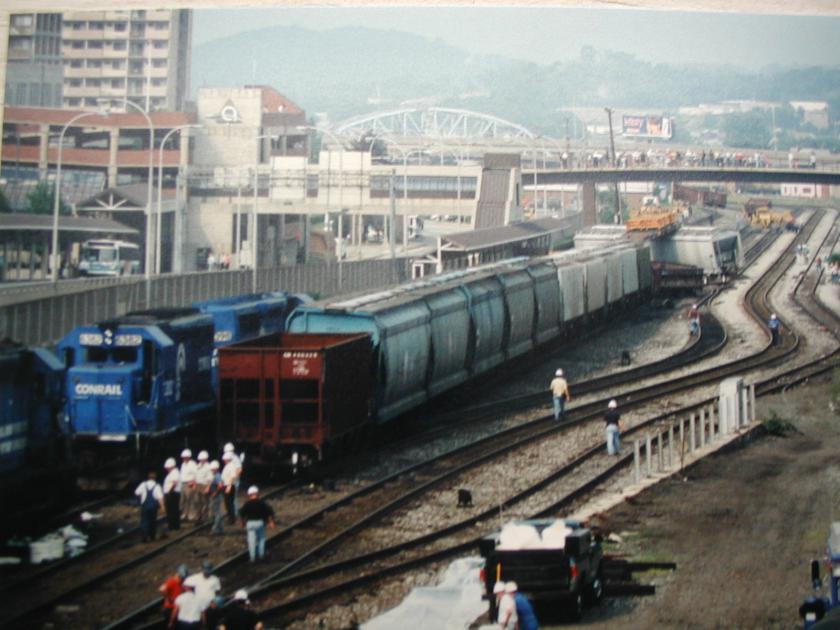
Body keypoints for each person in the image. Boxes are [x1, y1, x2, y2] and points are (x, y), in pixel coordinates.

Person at [239, 485, 276, 562]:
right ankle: (261, 555)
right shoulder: (262, 503)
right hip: (260, 523)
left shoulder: (247, 504)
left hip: (250, 524)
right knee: (261, 539)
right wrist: (271, 522)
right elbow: (269, 512)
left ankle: (252, 558)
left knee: (251, 541)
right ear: (257, 493)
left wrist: (242, 523)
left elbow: (242, 514)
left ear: (249, 495)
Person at [134, 470, 164, 542]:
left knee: (144, 521)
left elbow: (136, 493)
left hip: (145, 506)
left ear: (148, 478)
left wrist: (141, 498)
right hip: (153, 507)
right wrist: (163, 506)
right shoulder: (157, 486)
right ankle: (152, 537)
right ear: (155, 478)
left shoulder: (143, 484)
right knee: (152, 521)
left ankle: (144, 537)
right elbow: (160, 497)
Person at [159, 564, 188, 628]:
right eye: (182, 577)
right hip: (170, 608)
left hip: (177, 608)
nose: (183, 579)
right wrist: (169, 598)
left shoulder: (182, 584)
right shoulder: (171, 581)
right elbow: (161, 589)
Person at [223, 443, 243, 517]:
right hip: (230, 482)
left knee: (233, 498)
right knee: (231, 499)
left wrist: (234, 478)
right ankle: (232, 513)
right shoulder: (230, 458)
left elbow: (239, 470)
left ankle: (235, 513)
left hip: (234, 482)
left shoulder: (235, 459)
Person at [163, 457, 182, 532]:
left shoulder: (175, 473)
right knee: (171, 510)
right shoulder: (172, 473)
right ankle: (172, 525)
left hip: (172, 494)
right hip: (171, 493)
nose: (167, 469)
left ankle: (174, 526)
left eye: (168, 467)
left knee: (173, 510)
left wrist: (169, 491)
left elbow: (174, 483)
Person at [180, 449, 198, 523]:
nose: (184, 458)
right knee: (183, 500)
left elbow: (196, 474)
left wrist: (194, 483)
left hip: (189, 483)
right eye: (183, 457)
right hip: (183, 483)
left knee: (190, 499)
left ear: (188, 457)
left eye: (185, 457)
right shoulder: (183, 464)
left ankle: (191, 514)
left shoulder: (192, 464)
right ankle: (184, 513)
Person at [221, 451, 239, 524]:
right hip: (226, 485)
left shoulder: (231, 466)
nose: (224, 460)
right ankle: (230, 518)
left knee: (229, 503)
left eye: (225, 459)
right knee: (227, 503)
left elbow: (232, 477)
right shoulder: (227, 466)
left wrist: (229, 486)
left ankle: (232, 519)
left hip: (229, 486)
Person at [208, 460, 225, 535]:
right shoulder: (215, 475)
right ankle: (221, 529)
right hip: (216, 495)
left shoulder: (217, 476)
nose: (211, 470)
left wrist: (215, 493)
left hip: (216, 496)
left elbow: (220, 485)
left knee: (217, 513)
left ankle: (215, 529)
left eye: (212, 469)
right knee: (217, 512)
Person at [195, 450, 212, 523]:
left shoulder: (208, 467)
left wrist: (208, 487)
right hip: (198, 485)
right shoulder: (198, 466)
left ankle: (205, 517)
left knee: (205, 502)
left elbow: (210, 478)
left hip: (205, 485)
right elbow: (196, 475)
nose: (201, 460)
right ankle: (199, 516)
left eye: (203, 459)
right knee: (198, 502)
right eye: (200, 459)